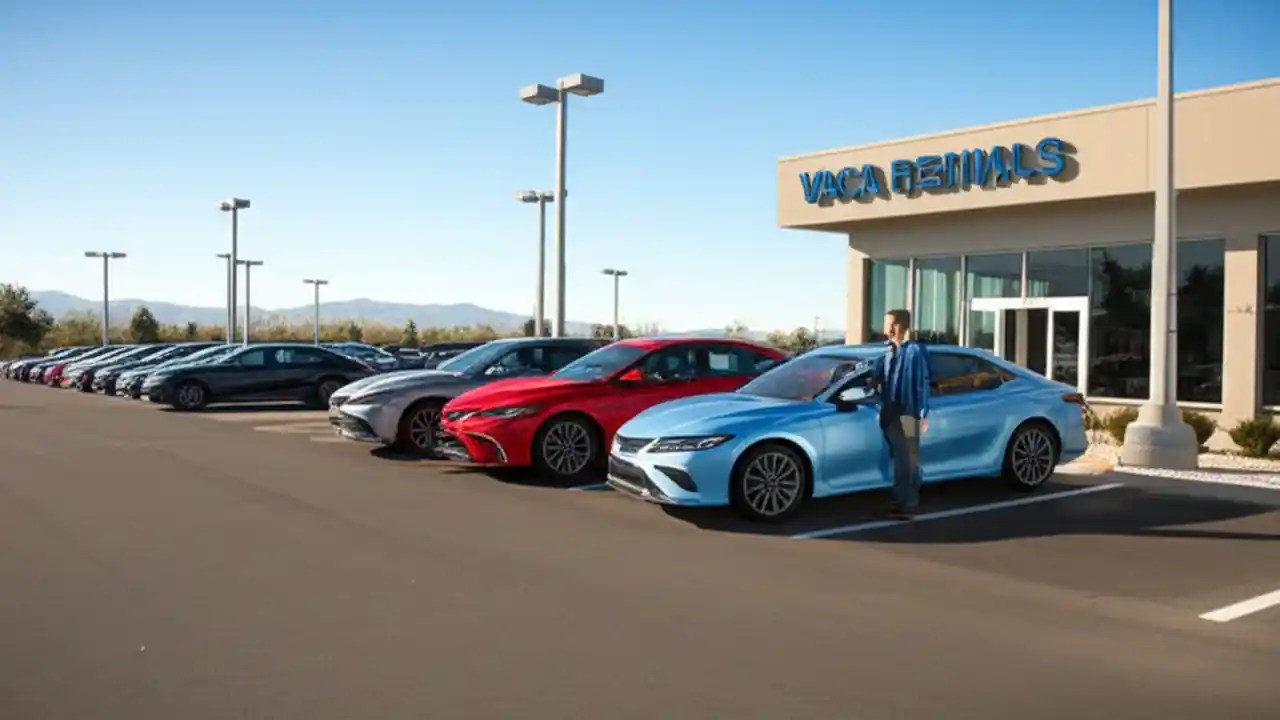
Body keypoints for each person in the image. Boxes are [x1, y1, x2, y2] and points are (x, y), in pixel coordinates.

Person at [867, 309, 931, 520]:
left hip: (909, 411)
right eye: (887, 324)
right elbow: (876, 377)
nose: (889, 328)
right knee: (899, 457)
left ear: (904, 326)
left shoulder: (915, 351)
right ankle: (900, 498)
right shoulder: (886, 353)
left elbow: (923, 382)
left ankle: (909, 502)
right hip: (890, 411)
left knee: (908, 457)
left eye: (893, 324)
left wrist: (923, 413)